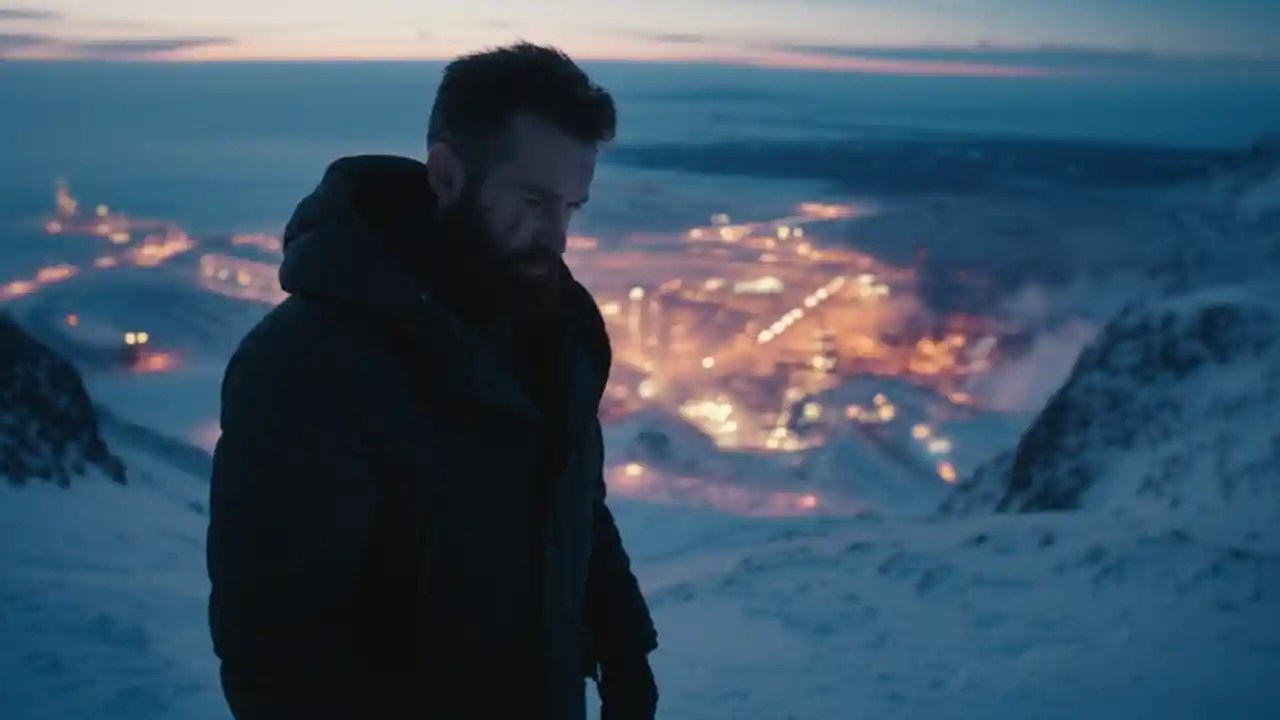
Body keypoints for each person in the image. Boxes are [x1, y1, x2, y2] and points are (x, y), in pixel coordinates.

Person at [207, 42, 659, 720]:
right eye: (533, 200)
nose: (557, 237)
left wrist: (623, 644)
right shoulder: (307, 364)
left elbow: (572, 506)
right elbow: (278, 652)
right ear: (446, 175)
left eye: (572, 207)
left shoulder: (550, 334)